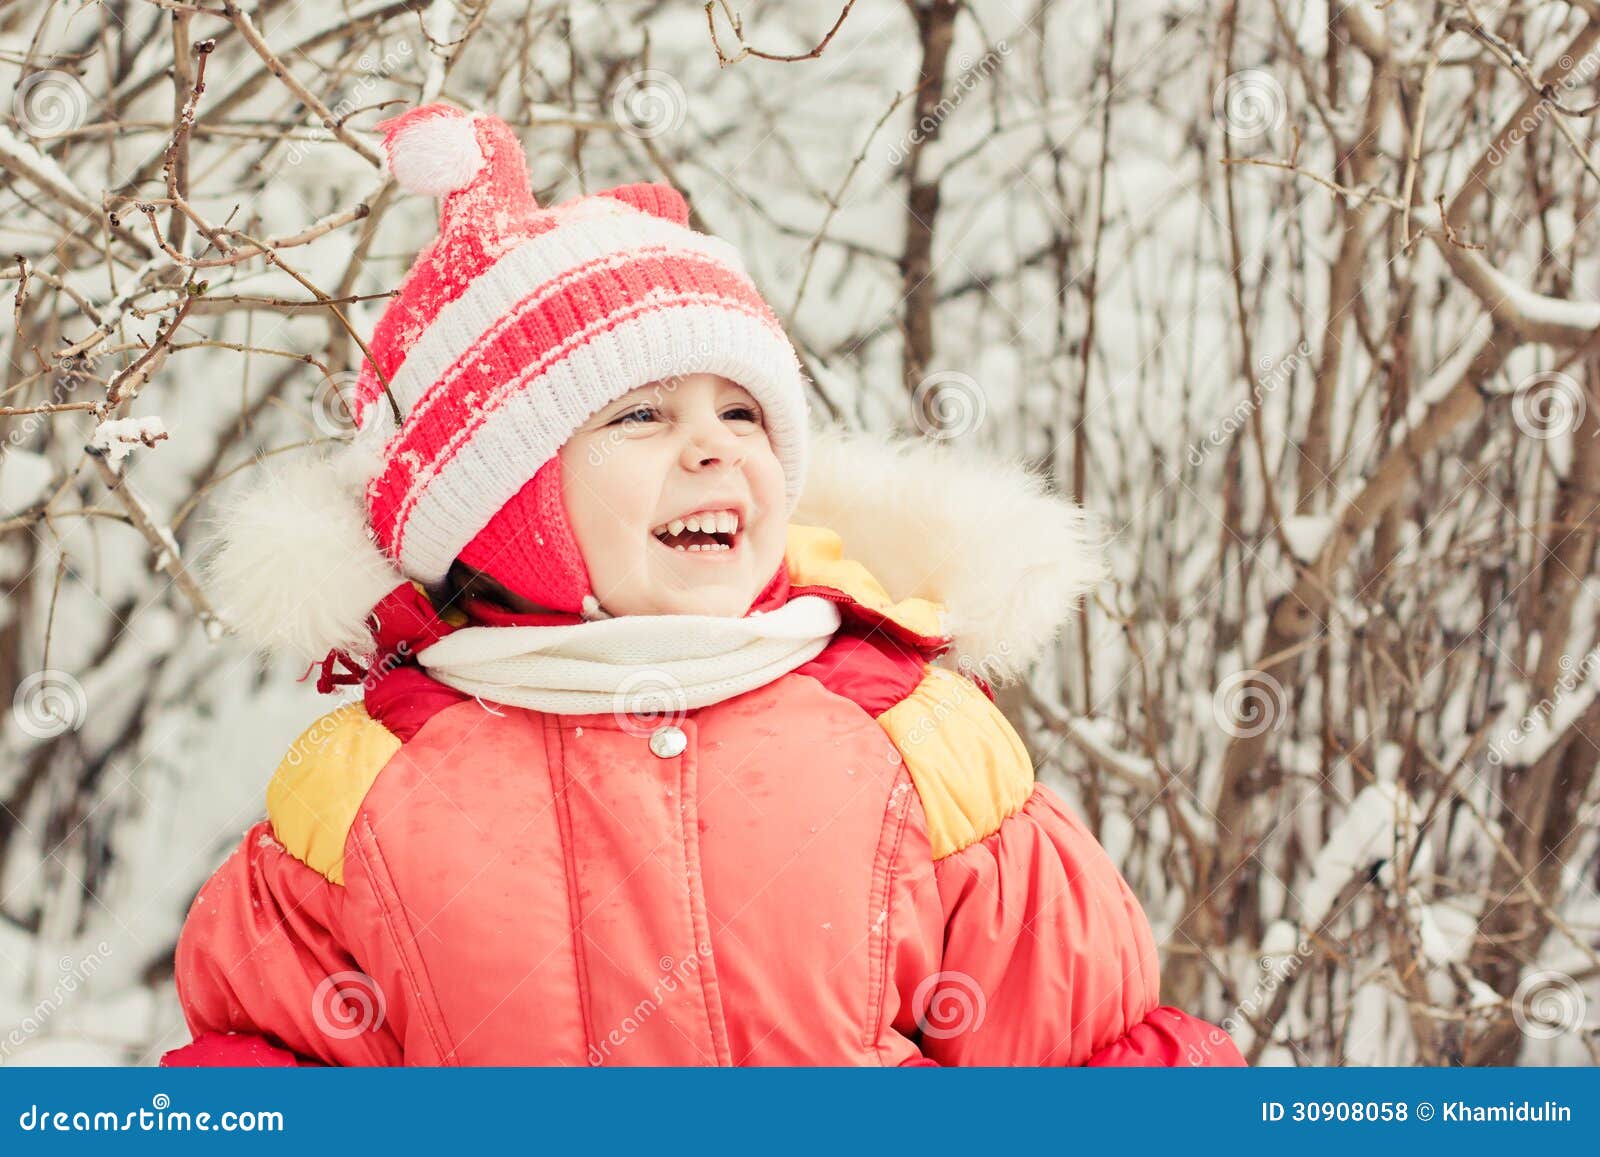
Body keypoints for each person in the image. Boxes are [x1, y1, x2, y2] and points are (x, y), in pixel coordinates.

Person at [160, 102, 1246, 1068]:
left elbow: (1085, 1062)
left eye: (743, 413)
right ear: (497, 499)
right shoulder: (369, 787)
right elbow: (265, 1073)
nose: (713, 450)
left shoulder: (914, 741)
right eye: (640, 415)